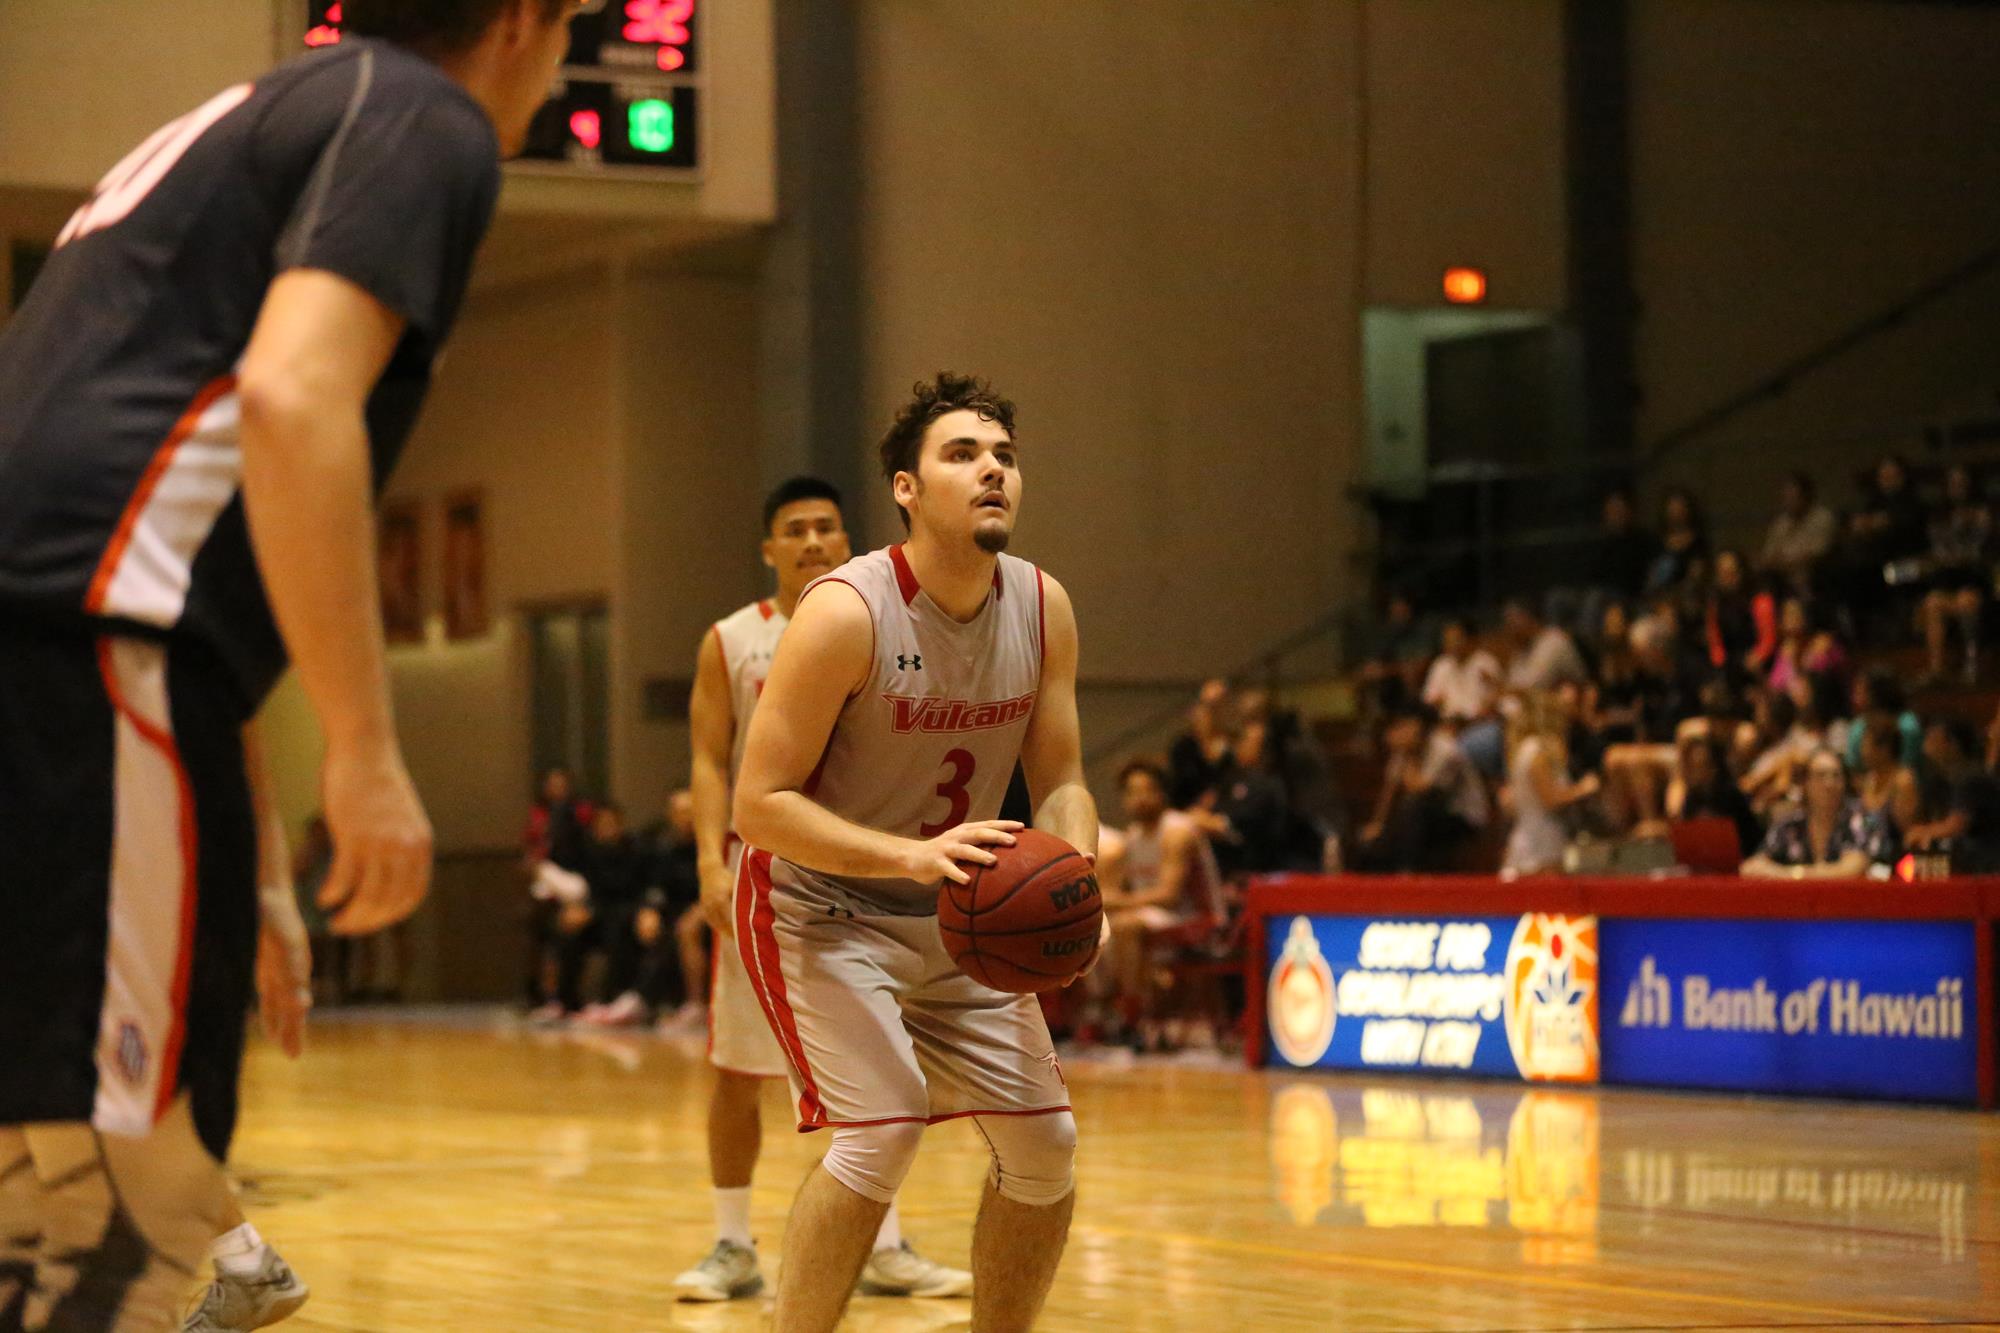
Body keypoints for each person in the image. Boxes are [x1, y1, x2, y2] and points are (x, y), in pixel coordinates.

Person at [0, 3, 579, 1325]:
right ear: (525, 22)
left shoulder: (255, 115)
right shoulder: (426, 119)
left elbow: (201, 553)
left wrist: (255, 875)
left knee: (32, 1173)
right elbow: (291, 399)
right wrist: (367, 755)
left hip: (58, 653)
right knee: (126, 1210)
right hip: (90, 656)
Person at [732, 373, 1095, 1332]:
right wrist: (908, 857)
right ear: (905, 487)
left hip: (957, 913)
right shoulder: (847, 611)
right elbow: (757, 806)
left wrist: (1078, 873)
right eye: (964, 455)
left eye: (1006, 457)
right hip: (820, 904)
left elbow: (1062, 780)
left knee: (1047, 1146)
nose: (993, 472)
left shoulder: (1042, 604)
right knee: (882, 1127)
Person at [675, 476, 969, 1303]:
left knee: (884, 1057)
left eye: (826, 528)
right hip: (767, 872)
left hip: (870, 871)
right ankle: (733, 1243)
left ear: (848, 540)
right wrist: (707, 859)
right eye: (794, 530)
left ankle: (885, 1242)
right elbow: (707, 759)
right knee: (737, 1068)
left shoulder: (889, 625)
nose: (811, 542)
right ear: (769, 548)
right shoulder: (731, 640)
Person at [1094, 761, 1226, 1050]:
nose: (1139, 798)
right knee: (1097, 926)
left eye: (1147, 790)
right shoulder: (1132, 836)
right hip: (1156, 918)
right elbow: (1118, 889)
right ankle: (1117, 1012)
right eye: (1131, 792)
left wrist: (1115, 901)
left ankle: (1135, 1018)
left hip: (1198, 919)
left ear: (1162, 793)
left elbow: (1169, 895)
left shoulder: (1177, 831)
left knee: (1126, 926)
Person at [1353, 704, 1489, 873]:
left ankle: (1408, 871)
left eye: (1404, 725)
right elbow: (1389, 791)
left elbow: (1420, 789)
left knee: (1414, 807)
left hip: (1461, 815)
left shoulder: (1446, 749)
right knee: (1373, 842)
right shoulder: (1402, 752)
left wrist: (1408, 754)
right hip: (1427, 815)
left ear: (1419, 726)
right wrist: (1378, 824)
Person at [1742, 749, 1895, 878]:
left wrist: (1792, 874)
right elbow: (1751, 867)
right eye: (1820, 775)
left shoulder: (1861, 820)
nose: (1829, 784)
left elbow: (1854, 867)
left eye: (1836, 776)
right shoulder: (1790, 825)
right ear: (1805, 783)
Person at [1501, 695, 1599, 877]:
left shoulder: (1521, 750)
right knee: (1548, 902)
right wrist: (1584, 788)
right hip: (1541, 842)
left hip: (1528, 834)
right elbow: (1550, 799)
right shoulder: (1537, 752)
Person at [1917, 463, 1992, 685]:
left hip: (1978, 582)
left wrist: (1977, 525)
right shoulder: (1940, 516)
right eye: (1952, 484)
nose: (1956, 488)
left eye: (1961, 483)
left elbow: (1981, 552)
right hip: (1949, 581)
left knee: (1967, 601)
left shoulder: (1984, 513)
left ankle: (1972, 665)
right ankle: (1937, 669)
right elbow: (1938, 551)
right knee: (1932, 603)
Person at [1904, 719, 2000, 873]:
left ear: (1952, 744)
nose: (1925, 745)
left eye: (1933, 738)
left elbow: (1956, 826)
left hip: (1987, 863)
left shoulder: (1972, 778)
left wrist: (1923, 832)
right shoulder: (1939, 782)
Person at [1756, 470, 1837, 599]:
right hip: (1782, 579)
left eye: (1793, 496)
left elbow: (1818, 553)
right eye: (1786, 497)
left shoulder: (1822, 518)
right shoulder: (1781, 524)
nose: (1789, 501)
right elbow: (1769, 556)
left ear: (1806, 496)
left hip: (1814, 576)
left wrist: (1788, 561)